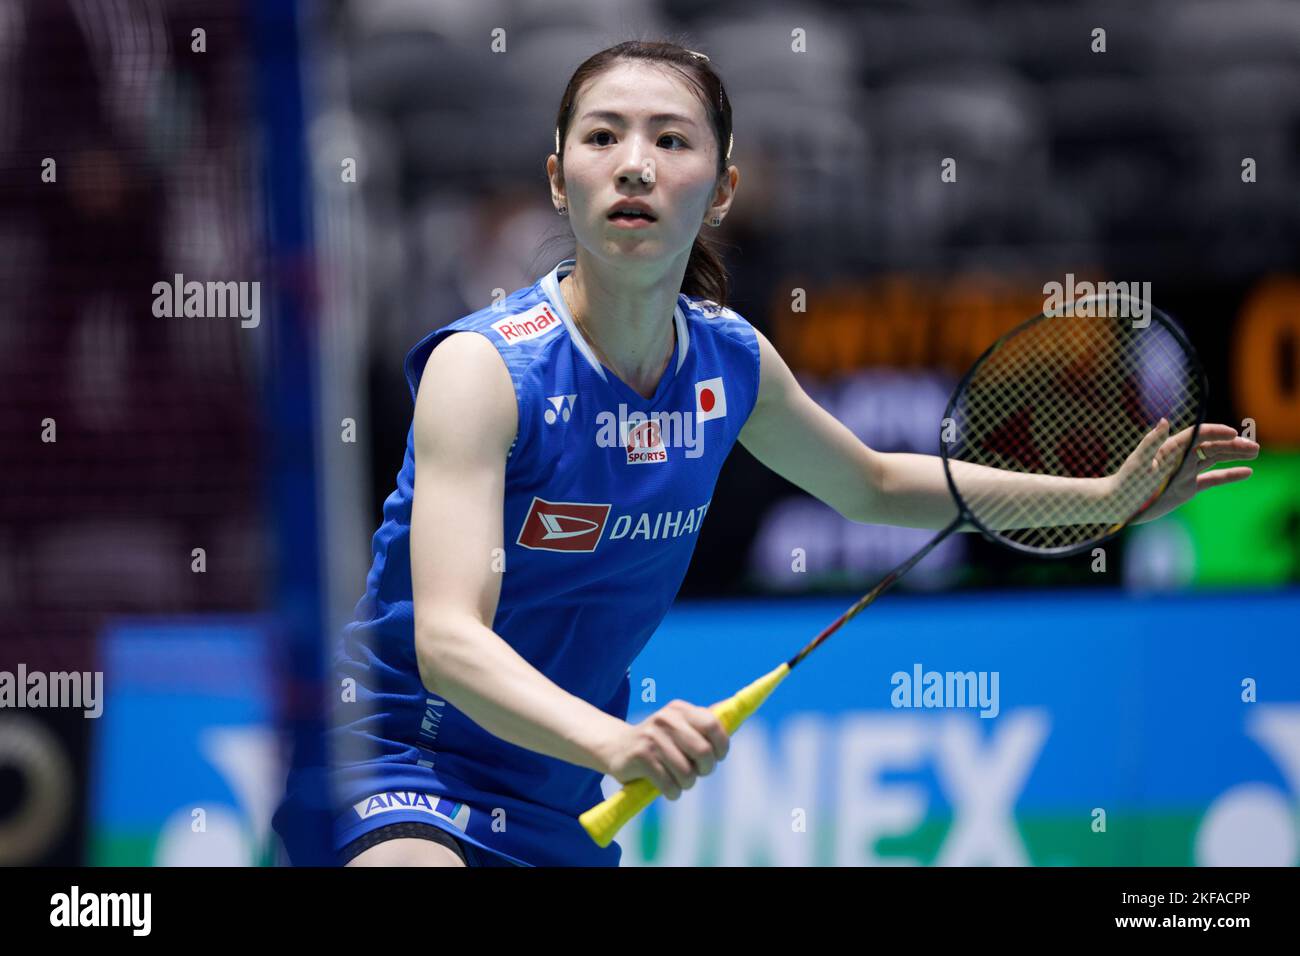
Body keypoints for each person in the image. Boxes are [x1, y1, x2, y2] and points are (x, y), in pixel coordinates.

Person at [271, 40, 1257, 868]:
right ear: (557, 176)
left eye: (670, 139)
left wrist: (1102, 496)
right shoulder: (484, 370)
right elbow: (446, 640)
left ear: (724, 184)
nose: (634, 164)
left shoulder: (727, 361)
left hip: (558, 794)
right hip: (402, 761)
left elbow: (871, 481)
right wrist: (617, 738)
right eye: (602, 136)